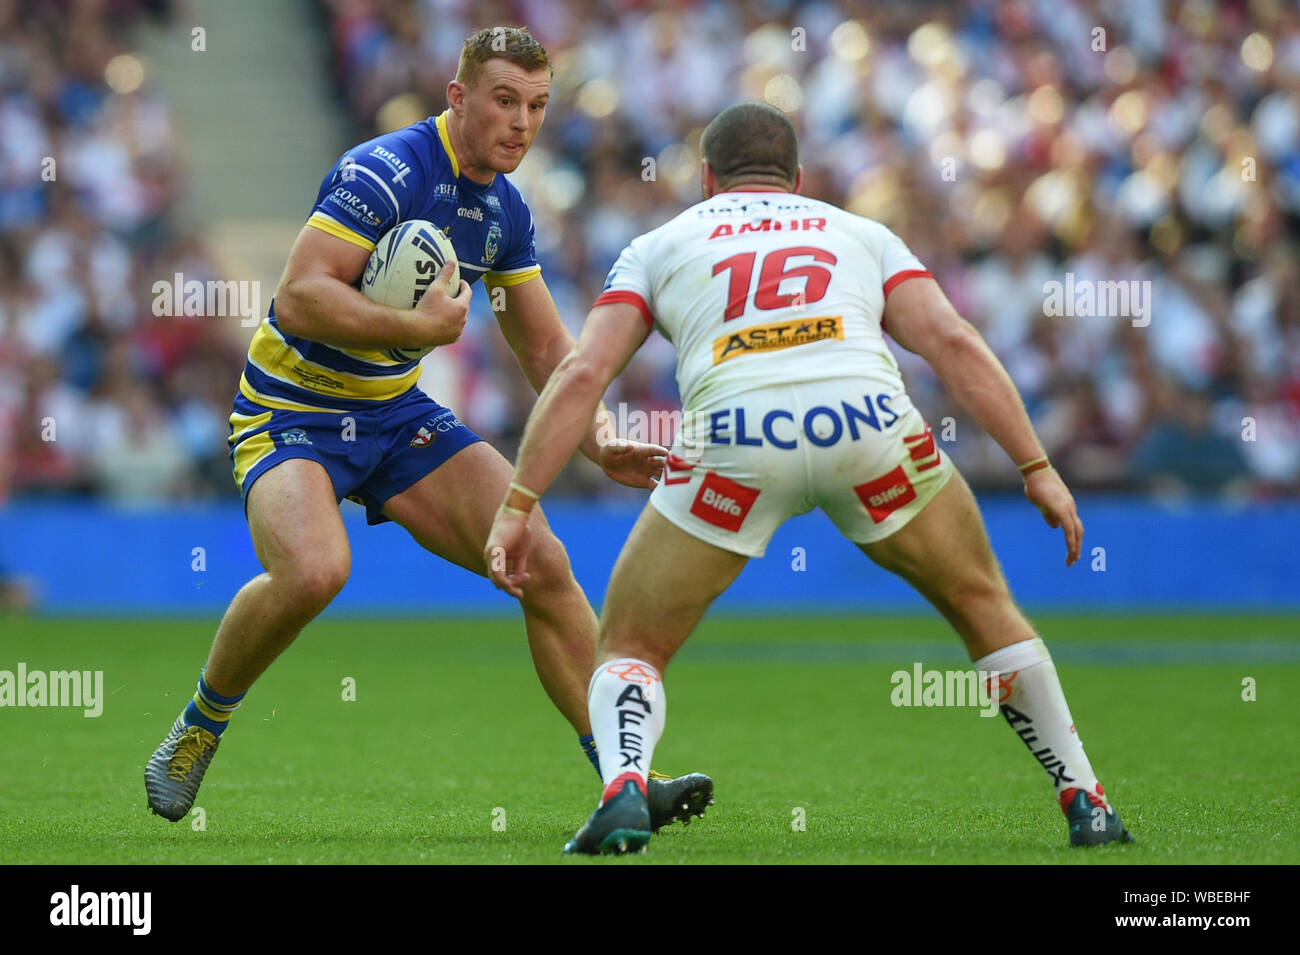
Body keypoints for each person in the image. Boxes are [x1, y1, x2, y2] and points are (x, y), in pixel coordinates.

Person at [485, 102, 1134, 854]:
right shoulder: (860, 233)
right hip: (868, 430)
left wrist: (520, 501)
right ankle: (1086, 799)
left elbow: (582, 372)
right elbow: (953, 343)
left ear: (705, 179)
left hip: (736, 443)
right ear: (797, 179)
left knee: (630, 642)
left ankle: (625, 786)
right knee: (984, 605)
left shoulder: (658, 245)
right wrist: (1037, 466)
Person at [144, 26, 712, 832]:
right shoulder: (384, 171)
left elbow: (546, 345)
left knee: (540, 559)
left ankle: (627, 780)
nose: (523, 123)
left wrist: (597, 437)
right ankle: (202, 723)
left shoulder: (505, 210)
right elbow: (301, 294)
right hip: (291, 408)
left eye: (538, 106)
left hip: (395, 414)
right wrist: (415, 328)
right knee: (312, 571)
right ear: (458, 97)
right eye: (505, 101)